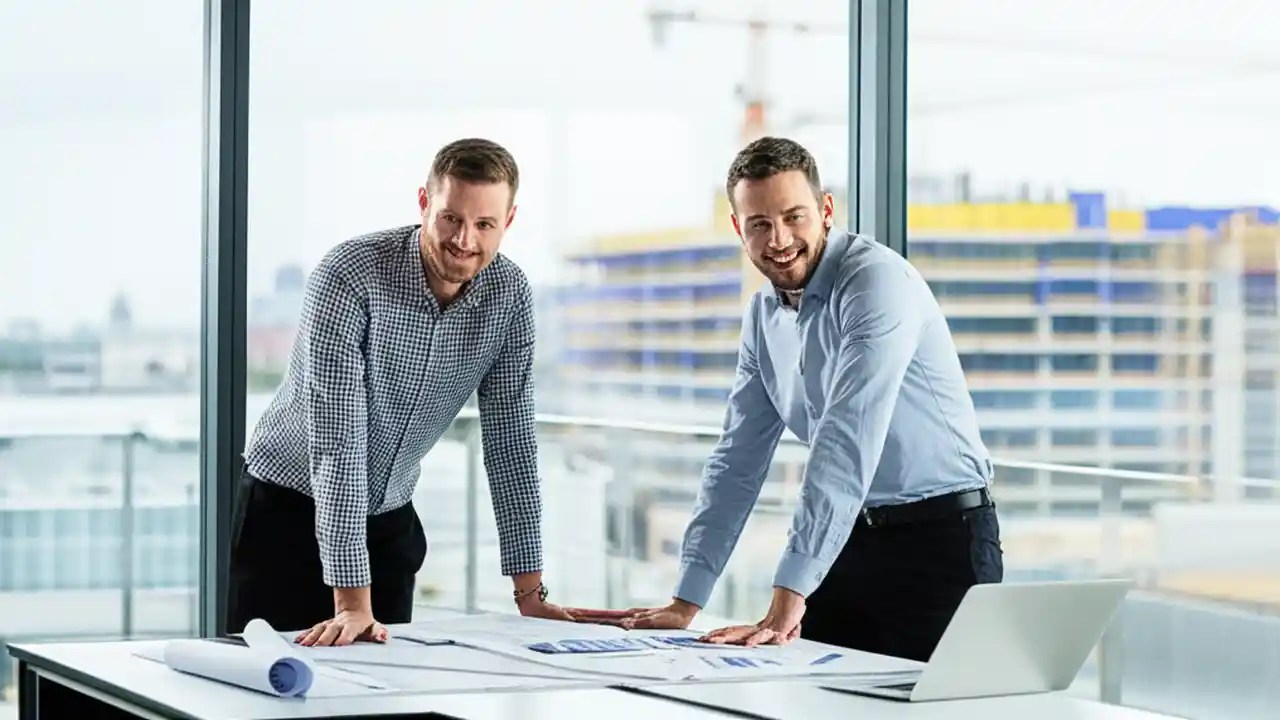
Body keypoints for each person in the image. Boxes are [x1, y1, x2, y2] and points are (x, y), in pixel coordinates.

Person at [575, 137, 1003, 662]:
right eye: (759, 223)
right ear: (738, 228)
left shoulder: (875, 283)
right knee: (817, 697)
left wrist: (787, 596)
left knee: (936, 702)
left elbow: (845, 441)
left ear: (826, 210)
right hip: (843, 541)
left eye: (793, 217)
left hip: (941, 543)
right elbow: (737, 459)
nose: (778, 239)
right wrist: (687, 600)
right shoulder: (763, 316)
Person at [227, 138, 574, 646]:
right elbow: (339, 442)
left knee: (386, 684)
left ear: (509, 220)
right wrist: (352, 603)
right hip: (285, 516)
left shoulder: (510, 295)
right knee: (268, 679)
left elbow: (511, 442)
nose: (465, 240)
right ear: (424, 203)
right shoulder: (349, 275)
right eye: (451, 218)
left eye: (485, 224)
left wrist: (530, 595)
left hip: (390, 523)